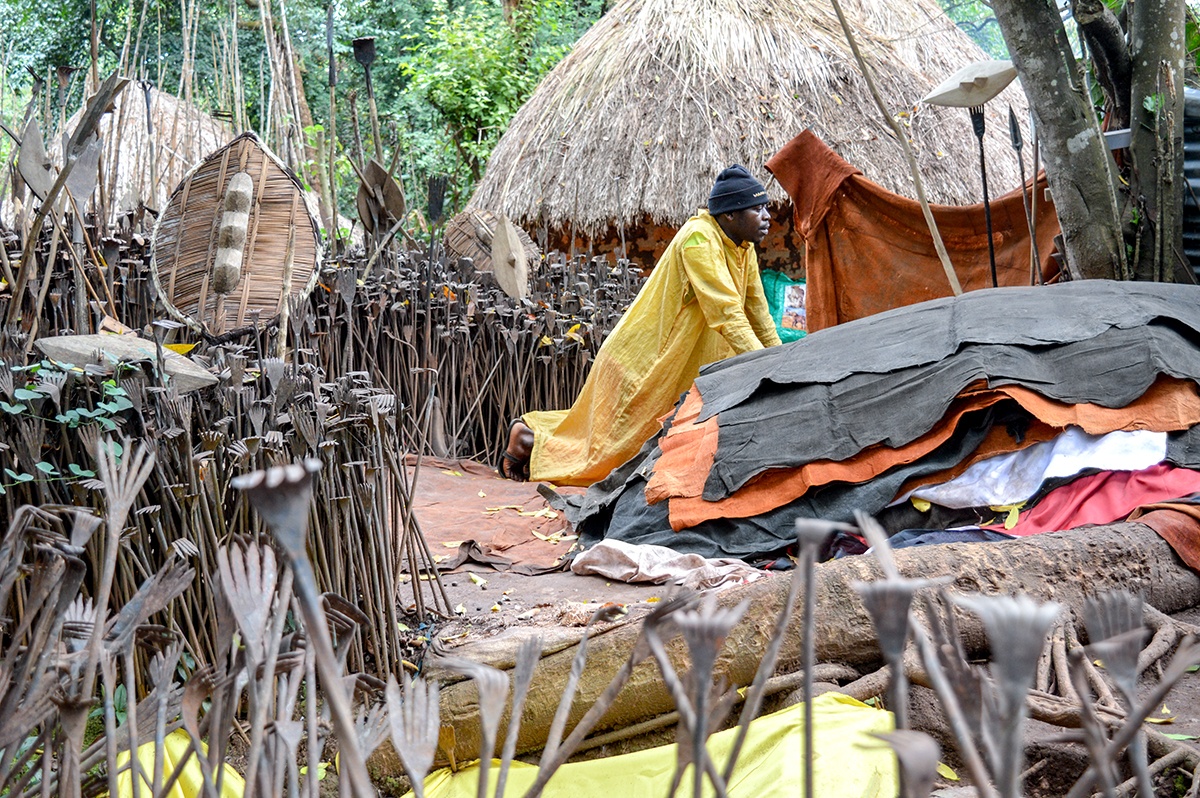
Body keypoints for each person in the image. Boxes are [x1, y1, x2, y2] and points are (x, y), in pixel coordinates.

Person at [500, 164, 782, 486]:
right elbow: (727, 312)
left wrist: (782, 363)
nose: (766, 217)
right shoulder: (698, 239)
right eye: (757, 208)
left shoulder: (743, 250)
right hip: (642, 361)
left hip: (673, 364)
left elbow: (758, 314)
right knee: (610, 455)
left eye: (766, 208)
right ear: (730, 214)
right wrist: (768, 369)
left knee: (635, 444)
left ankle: (531, 438)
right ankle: (528, 439)